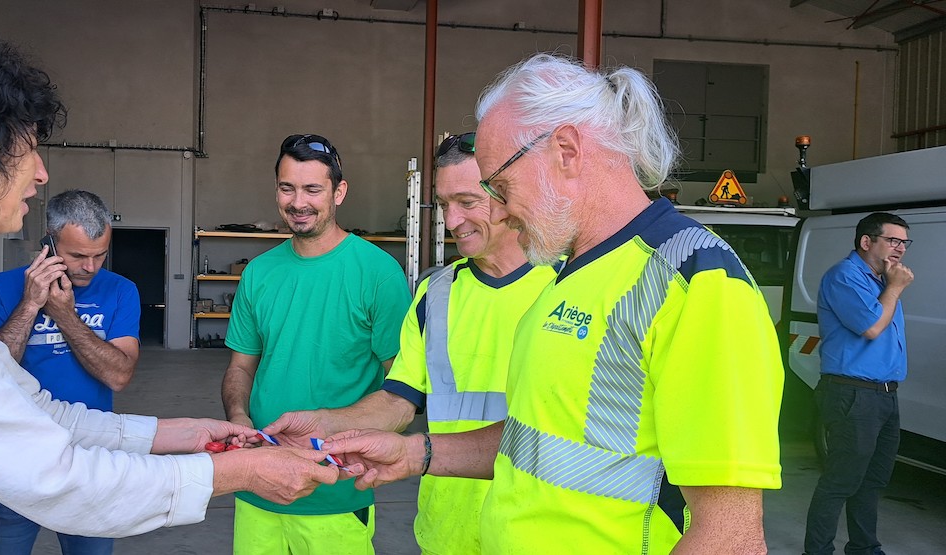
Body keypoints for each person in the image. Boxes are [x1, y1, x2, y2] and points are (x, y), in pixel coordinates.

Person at [0, 31, 339, 555]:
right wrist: (240, 473)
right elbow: (52, 477)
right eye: (30, 150)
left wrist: (191, 434)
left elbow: (43, 415)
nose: (42, 173)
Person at [322, 53, 784, 554]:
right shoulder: (564, 279)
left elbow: (730, 537)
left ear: (565, 149)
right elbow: (534, 440)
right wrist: (415, 453)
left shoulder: (694, 282)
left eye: (499, 187)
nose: (495, 211)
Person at [261, 132, 555, 554]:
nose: (452, 221)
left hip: (539, 531)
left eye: (468, 202)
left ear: (509, 194)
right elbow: (399, 400)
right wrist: (324, 424)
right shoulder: (435, 295)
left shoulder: (568, 287)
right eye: (444, 203)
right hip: (448, 530)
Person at [221, 133, 412, 554]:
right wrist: (239, 418)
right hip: (259, 485)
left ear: (339, 192)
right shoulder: (259, 273)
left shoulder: (378, 274)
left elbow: (401, 391)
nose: (298, 202)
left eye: (312, 189)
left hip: (336, 495)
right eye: (287, 188)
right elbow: (240, 367)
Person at [0, 189, 140, 555]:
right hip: (17, 458)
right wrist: (32, 303)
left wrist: (65, 315)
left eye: (100, 255)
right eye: (78, 255)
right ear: (49, 243)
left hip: (90, 457)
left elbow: (119, 375)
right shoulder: (0, 289)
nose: (91, 267)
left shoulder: (120, 291)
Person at [803, 212, 913, 555]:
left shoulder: (881, 282)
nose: (900, 249)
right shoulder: (844, 277)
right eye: (892, 241)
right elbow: (871, 327)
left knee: (871, 481)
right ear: (867, 242)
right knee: (841, 480)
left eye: (904, 243)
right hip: (852, 394)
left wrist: (890, 287)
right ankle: (817, 551)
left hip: (883, 396)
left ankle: (865, 548)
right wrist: (895, 288)